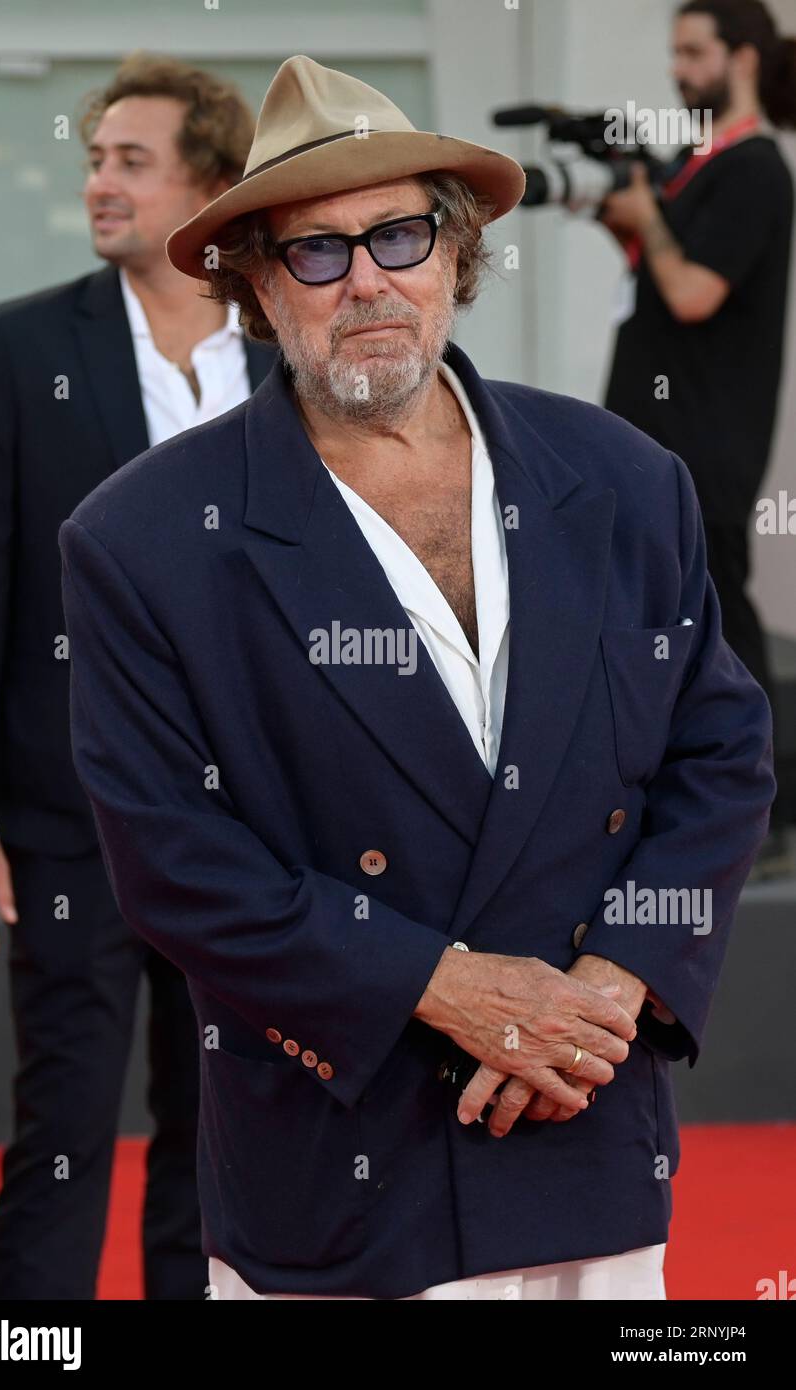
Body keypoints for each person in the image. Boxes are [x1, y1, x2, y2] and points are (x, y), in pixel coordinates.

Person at [59, 55, 774, 1301]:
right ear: (258, 288)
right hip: (340, 1169)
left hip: (584, 1129)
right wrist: (445, 988)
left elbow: (719, 754)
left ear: (456, 253)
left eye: (397, 233)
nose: (367, 281)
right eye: (317, 254)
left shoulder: (621, 480)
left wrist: (605, 988)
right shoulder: (142, 542)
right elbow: (174, 861)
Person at [0, 52, 273, 1299]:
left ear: (211, 188)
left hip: (250, 829)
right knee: (61, 1134)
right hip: (67, 815)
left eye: (131, 160)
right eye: (93, 161)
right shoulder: (15, 348)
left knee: (220, 1134)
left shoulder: (285, 355)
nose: (100, 182)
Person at [601, 0, 795, 878]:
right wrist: (629, 219)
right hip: (655, 432)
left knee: (724, 616)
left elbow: (694, 295)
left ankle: (775, 816)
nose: (678, 70)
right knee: (662, 617)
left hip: (708, 442)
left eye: (695, 51)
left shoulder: (755, 169)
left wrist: (646, 220)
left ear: (742, 56)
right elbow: (662, 277)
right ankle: (687, 811)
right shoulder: (699, 167)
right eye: (673, 52)